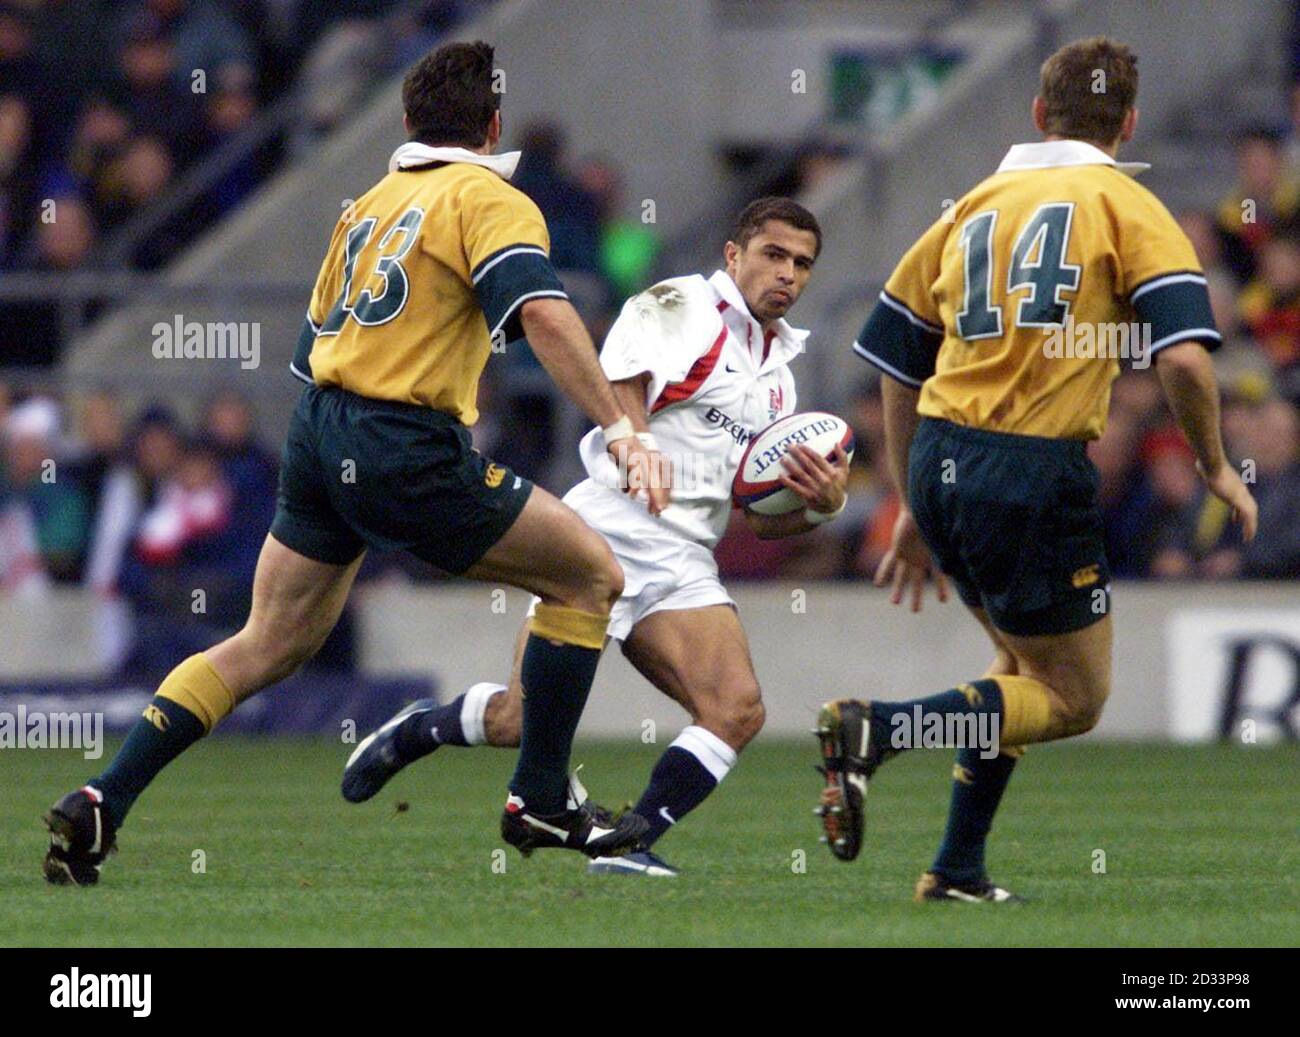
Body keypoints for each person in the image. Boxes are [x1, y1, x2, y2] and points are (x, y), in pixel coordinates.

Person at [42, 40, 666, 886]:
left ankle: (103, 796)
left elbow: (313, 351)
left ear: (408, 123)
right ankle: (541, 799)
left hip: (319, 425)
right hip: (402, 442)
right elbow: (544, 315)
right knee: (589, 577)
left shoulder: (366, 204)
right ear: (492, 125)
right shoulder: (487, 194)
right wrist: (623, 430)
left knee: (267, 640)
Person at [818, 36, 1258, 902]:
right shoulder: (1126, 204)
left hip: (942, 452)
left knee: (1020, 676)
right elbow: (1185, 362)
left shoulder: (969, 205)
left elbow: (896, 364)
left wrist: (911, 499)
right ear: (1128, 123)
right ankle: (880, 730)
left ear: (1035, 114)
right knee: (1074, 698)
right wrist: (1214, 465)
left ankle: (956, 866)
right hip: (1028, 469)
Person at [343, 197, 847, 877]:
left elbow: (756, 513)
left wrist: (822, 505)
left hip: (686, 553)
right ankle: (421, 727)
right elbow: (621, 378)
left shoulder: (781, 383)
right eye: (774, 254)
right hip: (608, 524)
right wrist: (635, 443)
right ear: (734, 255)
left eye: (803, 264)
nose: (788, 273)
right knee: (518, 723)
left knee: (736, 708)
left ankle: (631, 841)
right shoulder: (685, 306)